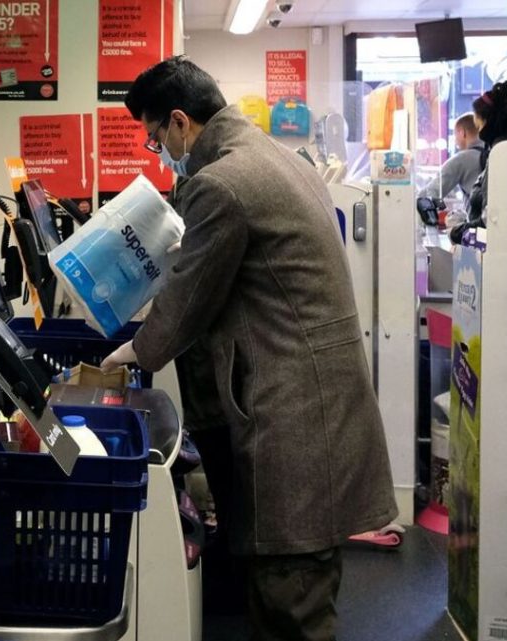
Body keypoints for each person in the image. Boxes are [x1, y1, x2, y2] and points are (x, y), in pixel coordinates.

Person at [100, 56, 397, 641]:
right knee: (291, 589)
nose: (158, 150)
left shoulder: (222, 183)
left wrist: (128, 354)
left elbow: (188, 298)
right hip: (317, 401)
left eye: (156, 136)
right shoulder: (276, 157)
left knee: (291, 602)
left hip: (295, 416)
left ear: (181, 122)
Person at [450, 79, 507, 244]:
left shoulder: (501, 158)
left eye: (479, 126)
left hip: (495, 260)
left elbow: (488, 231)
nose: (479, 133)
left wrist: (457, 232)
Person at [418, 112, 484, 202]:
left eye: (455, 134)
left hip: (478, 216)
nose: (455, 140)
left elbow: (431, 192)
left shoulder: (461, 159)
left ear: (462, 133)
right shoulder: (493, 153)